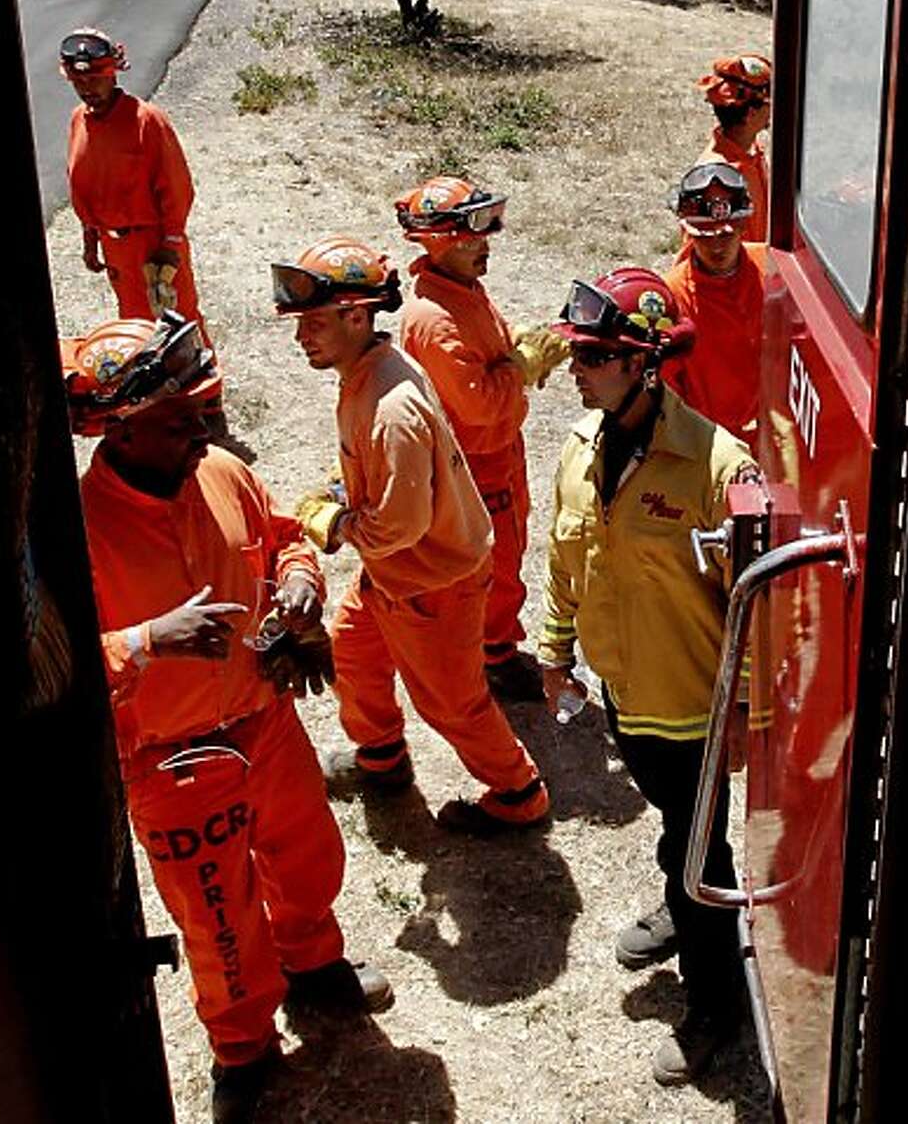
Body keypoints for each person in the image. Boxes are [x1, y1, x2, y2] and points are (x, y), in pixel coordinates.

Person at [63, 313, 387, 1124]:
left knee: (307, 857)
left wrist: (302, 584)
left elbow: (282, 540)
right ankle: (242, 1043)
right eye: (180, 421)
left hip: (264, 723)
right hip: (172, 764)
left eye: (204, 413)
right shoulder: (78, 531)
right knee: (215, 916)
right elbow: (59, 668)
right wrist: (145, 641)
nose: (202, 431)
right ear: (123, 427)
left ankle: (314, 962)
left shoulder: (221, 472)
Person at [536, 268, 760, 1085]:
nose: (577, 368)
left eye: (595, 355)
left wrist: (746, 711)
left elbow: (756, 605)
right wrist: (557, 655)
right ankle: (681, 889)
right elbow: (566, 563)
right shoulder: (579, 448)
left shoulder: (717, 467)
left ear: (644, 362)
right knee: (677, 831)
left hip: (693, 712)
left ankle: (716, 1006)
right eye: (576, 352)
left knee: (701, 859)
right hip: (623, 698)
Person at [271, 235, 551, 835]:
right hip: (398, 576)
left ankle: (519, 792)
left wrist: (335, 523)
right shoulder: (368, 372)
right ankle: (382, 759)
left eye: (314, 323)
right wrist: (343, 492)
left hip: (432, 583)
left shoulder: (388, 406)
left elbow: (398, 526)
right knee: (352, 650)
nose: (302, 338)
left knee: (453, 703)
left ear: (356, 315)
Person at [390, 176, 570, 702]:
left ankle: (492, 645)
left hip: (499, 456)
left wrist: (527, 343)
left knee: (507, 555)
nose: (485, 245)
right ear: (442, 242)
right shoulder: (437, 321)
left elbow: (494, 344)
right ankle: (493, 656)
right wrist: (522, 364)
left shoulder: (463, 292)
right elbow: (482, 402)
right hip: (478, 463)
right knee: (492, 564)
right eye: (473, 238)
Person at [61, 26, 227, 434]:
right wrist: (89, 240)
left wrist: (170, 244)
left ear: (113, 73)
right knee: (137, 328)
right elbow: (80, 182)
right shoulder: (78, 121)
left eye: (95, 78)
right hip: (114, 245)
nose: (88, 88)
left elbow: (177, 187)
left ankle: (208, 405)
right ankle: (159, 408)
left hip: (153, 243)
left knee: (178, 319)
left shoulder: (146, 120)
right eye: (80, 81)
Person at [660, 162, 768, 442]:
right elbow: (667, 389)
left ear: (744, 225)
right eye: (704, 236)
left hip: (774, 439)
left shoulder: (772, 269)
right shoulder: (673, 295)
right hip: (710, 445)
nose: (717, 246)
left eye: (726, 235)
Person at [695, 53, 771, 246]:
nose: (772, 111)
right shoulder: (718, 180)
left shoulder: (751, 152)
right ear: (752, 113)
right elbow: (718, 257)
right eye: (768, 104)